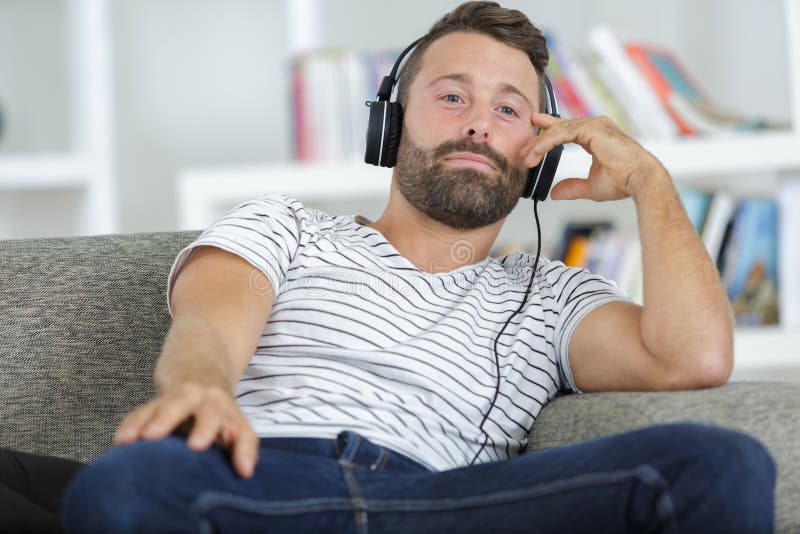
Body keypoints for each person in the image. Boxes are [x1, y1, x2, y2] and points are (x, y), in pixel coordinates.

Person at [56, 2, 775, 532]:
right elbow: (208, 329)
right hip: (263, 484)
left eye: (508, 109)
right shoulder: (285, 226)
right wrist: (200, 389)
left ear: (541, 150)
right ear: (391, 125)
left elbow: (696, 358)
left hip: (447, 504)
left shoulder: (553, 297)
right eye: (453, 96)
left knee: (721, 462)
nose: (476, 123)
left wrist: (651, 180)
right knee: (129, 485)